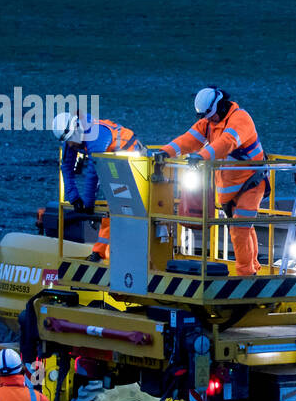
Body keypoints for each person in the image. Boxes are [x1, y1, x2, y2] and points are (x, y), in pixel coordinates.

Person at [158, 88, 268, 276]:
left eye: (211, 115)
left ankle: (246, 275)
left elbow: (227, 142)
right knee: (244, 227)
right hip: (228, 187)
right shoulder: (209, 123)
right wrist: (165, 152)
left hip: (251, 182)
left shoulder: (240, 119)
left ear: (221, 105)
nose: (209, 120)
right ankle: (253, 267)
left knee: (240, 227)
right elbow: (189, 139)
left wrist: (201, 157)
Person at [52, 112, 145, 262]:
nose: (70, 145)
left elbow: (93, 171)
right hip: (115, 162)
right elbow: (66, 167)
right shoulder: (72, 137)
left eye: (70, 140)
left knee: (123, 205)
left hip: (136, 162)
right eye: (67, 142)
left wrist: (88, 204)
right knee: (113, 205)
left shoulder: (96, 135)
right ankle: (101, 251)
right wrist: (74, 198)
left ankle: (123, 251)